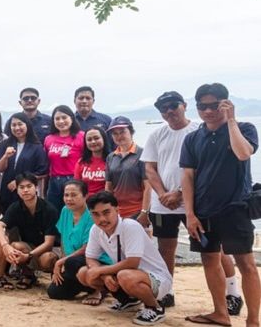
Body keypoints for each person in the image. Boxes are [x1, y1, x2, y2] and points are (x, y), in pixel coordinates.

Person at [141, 91, 240, 310]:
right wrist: (162, 194)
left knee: (214, 248)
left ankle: (232, 292)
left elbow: (205, 168)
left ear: (184, 105)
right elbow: (150, 167)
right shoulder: (156, 135)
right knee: (165, 248)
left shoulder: (199, 130)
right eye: (163, 108)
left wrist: (178, 192)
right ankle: (167, 291)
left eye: (173, 106)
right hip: (162, 204)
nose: (169, 111)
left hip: (195, 203)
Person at [181, 83, 259, 327]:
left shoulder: (244, 128)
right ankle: (220, 313)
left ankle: (254, 320)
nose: (208, 111)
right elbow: (188, 177)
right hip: (204, 210)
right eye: (202, 106)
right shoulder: (193, 138)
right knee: (209, 260)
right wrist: (190, 214)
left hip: (235, 208)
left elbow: (243, 153)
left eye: (214, 105)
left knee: (246, 263)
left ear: (225, 103)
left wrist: (231, 120)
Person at [77, 192, 171, 325]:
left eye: (106, 212)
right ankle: (128, 300)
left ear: (117, 210)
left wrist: (101, 271)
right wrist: (104, 276)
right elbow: (90, 257)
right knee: (84, 273)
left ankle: (155, 308)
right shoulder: (95, 229)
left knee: (124, 275)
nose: (102, 219)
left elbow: (133, 262)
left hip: (156, 278)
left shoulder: (130, 226)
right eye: (95, 214)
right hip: (128, 275)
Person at [47, 180, 112, 303]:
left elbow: (86, 248)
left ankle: (96, 290)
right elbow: (63, 237)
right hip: (72, 261)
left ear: (85, 196)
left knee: (72, 262)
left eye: (74, 195)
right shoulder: (65, 211)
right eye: (66, 195)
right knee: (54, 292)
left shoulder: (91, 215)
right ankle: (92, 286)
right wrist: (63, 258)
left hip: (94, 260)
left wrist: (61, 261)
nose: (69, 199)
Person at [0, 172, 59, 290]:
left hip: (44, 251)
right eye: (21, 187)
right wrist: (5, 245)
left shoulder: (49, 209)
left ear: (36, 187)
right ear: (17, 190)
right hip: (26, 248)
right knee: (15, 246)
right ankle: (27, 275)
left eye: (29, 186)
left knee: (48, 258)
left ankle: (56, 279)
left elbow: (49, 243)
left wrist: (28, 256)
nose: (25, 190)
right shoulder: (15, 207)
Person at [0, 112, 49, 214]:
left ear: (27, 125)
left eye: (20, 124)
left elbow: (42, 171)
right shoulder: (5, 144)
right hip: (7, 190)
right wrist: (5, 156)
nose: (17, 128)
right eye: (14, 125)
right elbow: (0, 168)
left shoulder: (36, 146)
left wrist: (19, 182)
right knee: (9, 221)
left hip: (27, 191)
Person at [105, 116, 151, 225]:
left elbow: (148, 187)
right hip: (117, 212)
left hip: (137, 211)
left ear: (131, 132)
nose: (119, 136)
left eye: (122, 132)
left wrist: (145, 212)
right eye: (115, 134)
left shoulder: (143, 154)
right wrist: (108, 209)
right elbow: (108, 187)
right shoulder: (111, 157)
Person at [43, 105, 85, 212]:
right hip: (54, 181)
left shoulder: (81, 136)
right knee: (53, 212)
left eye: (64, 117)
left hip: (74, 180)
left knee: (73, 212)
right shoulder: (49, 139)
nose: (61, 121)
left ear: (71, 118)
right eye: (57, 119)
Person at [74, 126, 110, 196]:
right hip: (85, 202)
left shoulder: (112, 160)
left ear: (104, 139)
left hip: (105, 201)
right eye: (89, 140)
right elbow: (77, 186)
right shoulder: (81, 162)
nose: (93, 142)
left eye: (96, 138)